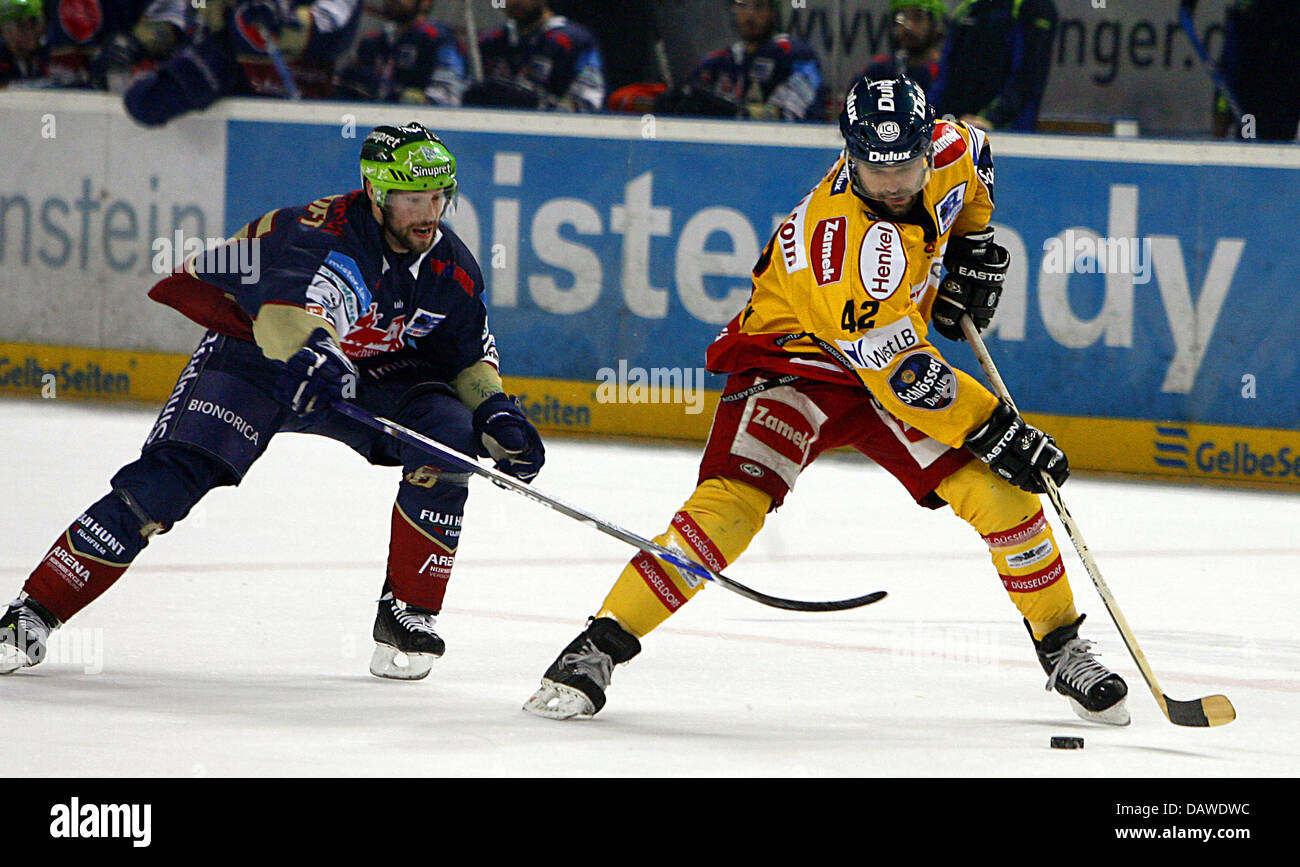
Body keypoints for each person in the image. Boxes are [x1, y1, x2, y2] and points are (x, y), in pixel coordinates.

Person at [523, 76, 1130, 728]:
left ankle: (1062, 645)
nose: (894, 182)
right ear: (849, 153)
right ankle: (599, 645)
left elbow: (978, 157)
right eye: (875, 166)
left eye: (906, 164)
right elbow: (904, 377)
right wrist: (994, 428)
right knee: (729, 511)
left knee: (1006, 498)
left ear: (928, 146)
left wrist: (973, 251)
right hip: (795, 365)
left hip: (889, 362)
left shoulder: (952, 152)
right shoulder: (843, 247)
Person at [0, 123, 546, 682]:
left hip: (362, 369)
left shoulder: (449, 264)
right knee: (166, 483)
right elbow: (284, 322)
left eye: (437, 197)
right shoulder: (323, 234)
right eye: (412, 198)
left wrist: (496, 411)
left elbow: (465, 358)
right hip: (256, 354)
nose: (428, 213)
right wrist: (313, 352)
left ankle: (407, 611)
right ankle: (34, 612)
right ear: (376, 193)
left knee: (448, 438)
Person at [123, 0, 363, 126]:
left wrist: (283, 20)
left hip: (301, 84)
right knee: (147, 101)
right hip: (230, 62)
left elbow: (331, 29)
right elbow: (193, 9)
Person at [663, 0, 825, 121]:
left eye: (759, 6)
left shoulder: (794, 55)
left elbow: (793, 116)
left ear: (773, 12)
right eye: (742, 5)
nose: (750, 15)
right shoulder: (720, 60)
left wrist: (733, 112)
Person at [929, 0, 1056, 132]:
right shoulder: (967, 9)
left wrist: (991, 118)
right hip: (953, 131)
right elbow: (944, 77)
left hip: (1005, 134)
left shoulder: (1034, 7)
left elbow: (1028, 76)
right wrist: (930, 117)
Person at [466, 0, 604, 112]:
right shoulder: (490, 41)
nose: (515, 2)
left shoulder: (575, 41)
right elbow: (466, 95)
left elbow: (589, 101)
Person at [333, 0, 468, 106]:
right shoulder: (372, 41)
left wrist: (416, 101)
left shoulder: (437, 38)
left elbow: (448, 96)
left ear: (426, 2)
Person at [860, 0, 945, 95]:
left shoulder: (948, 75)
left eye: (918, 17)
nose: (907, 26)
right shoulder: (879, 73)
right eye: (901, 18)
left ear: (936, 25)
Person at [0, 0, 48, 84]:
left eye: (33, 24)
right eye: (21, 26)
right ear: (5, 31)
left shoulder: (51, 56)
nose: (29, 32)